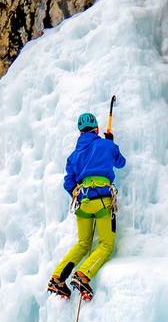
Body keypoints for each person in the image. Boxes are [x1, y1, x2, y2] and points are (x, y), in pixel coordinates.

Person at [48, 111, 125, 301]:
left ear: (80, 133)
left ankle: (58, 278)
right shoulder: (106, 144)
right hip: (101, 199)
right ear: (97, 129)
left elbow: (68, 182)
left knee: (83, 243)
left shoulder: (73, 156)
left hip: (82, 201)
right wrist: (111, 141)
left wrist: (79, 191)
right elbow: (121, 162)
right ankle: (83, 274)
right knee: (106, 244)